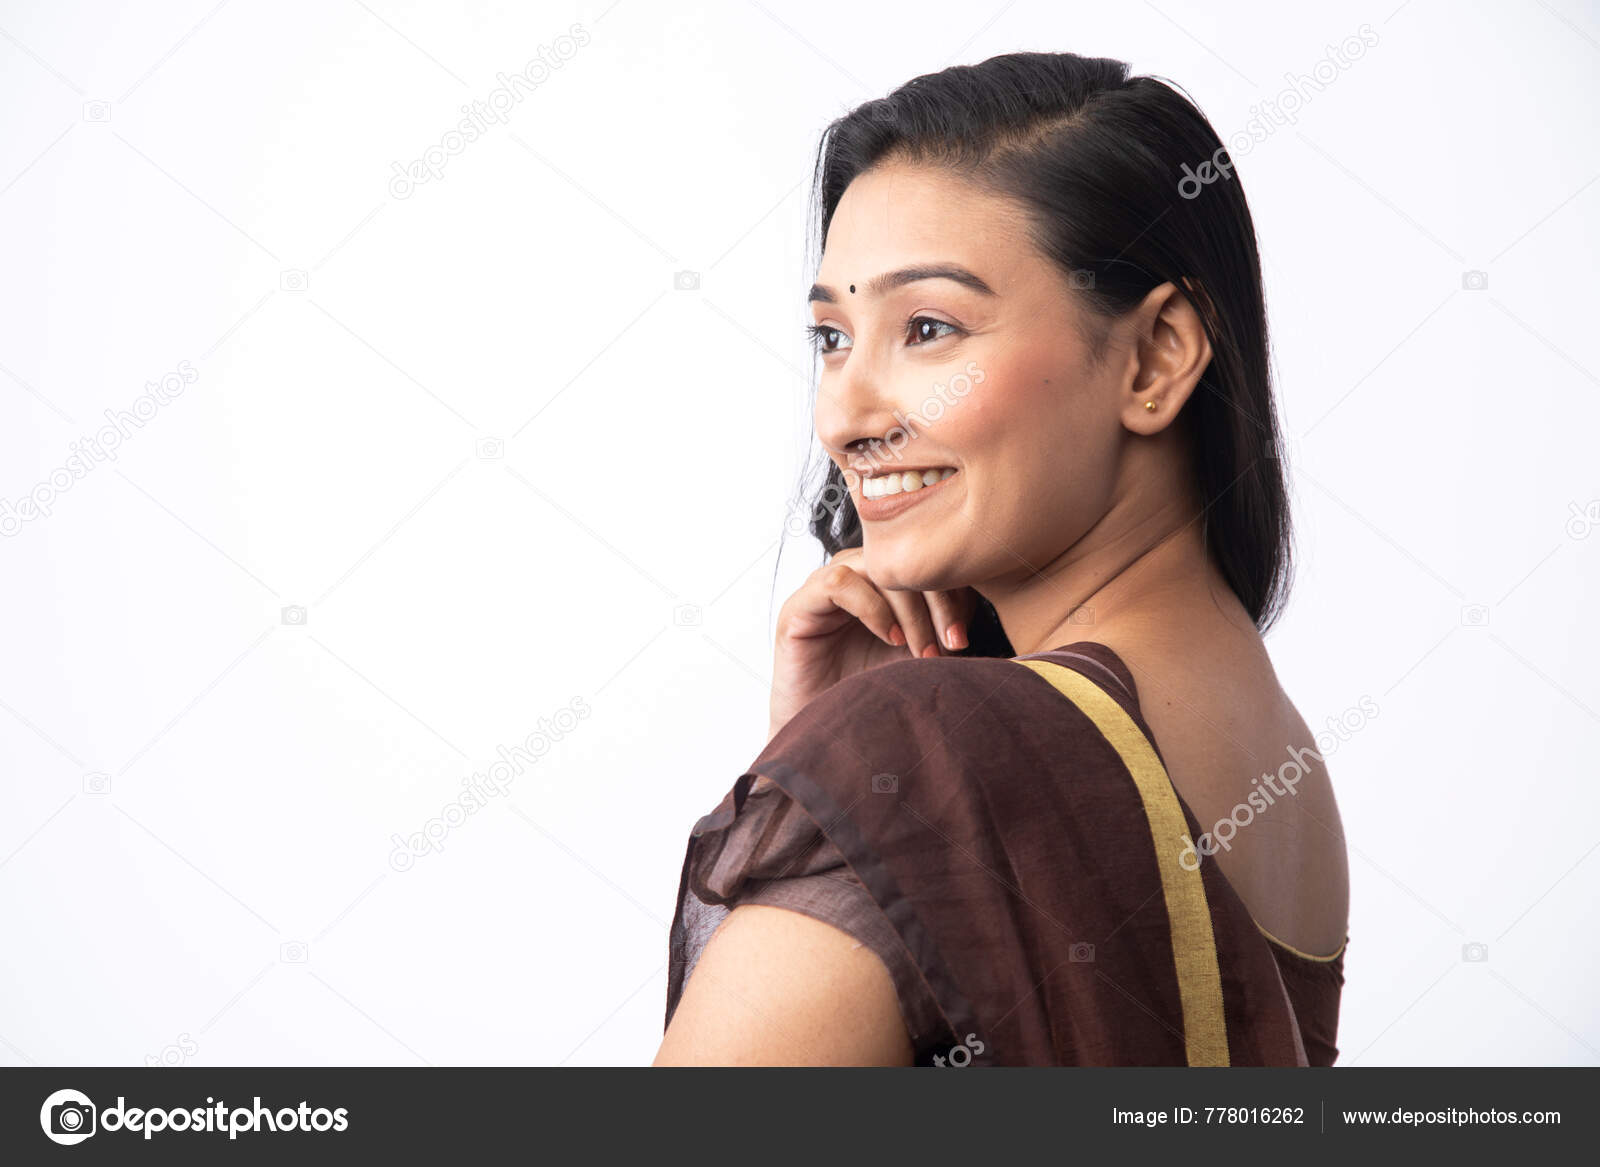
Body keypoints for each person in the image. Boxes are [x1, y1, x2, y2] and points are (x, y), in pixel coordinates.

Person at [653, 50, 1348, 1067]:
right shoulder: (1280, 766)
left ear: (1156, 358)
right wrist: (836, 799)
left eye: (927, 328)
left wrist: (868, 775)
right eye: (831, 338)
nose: (843, 418)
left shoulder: (936, 742)